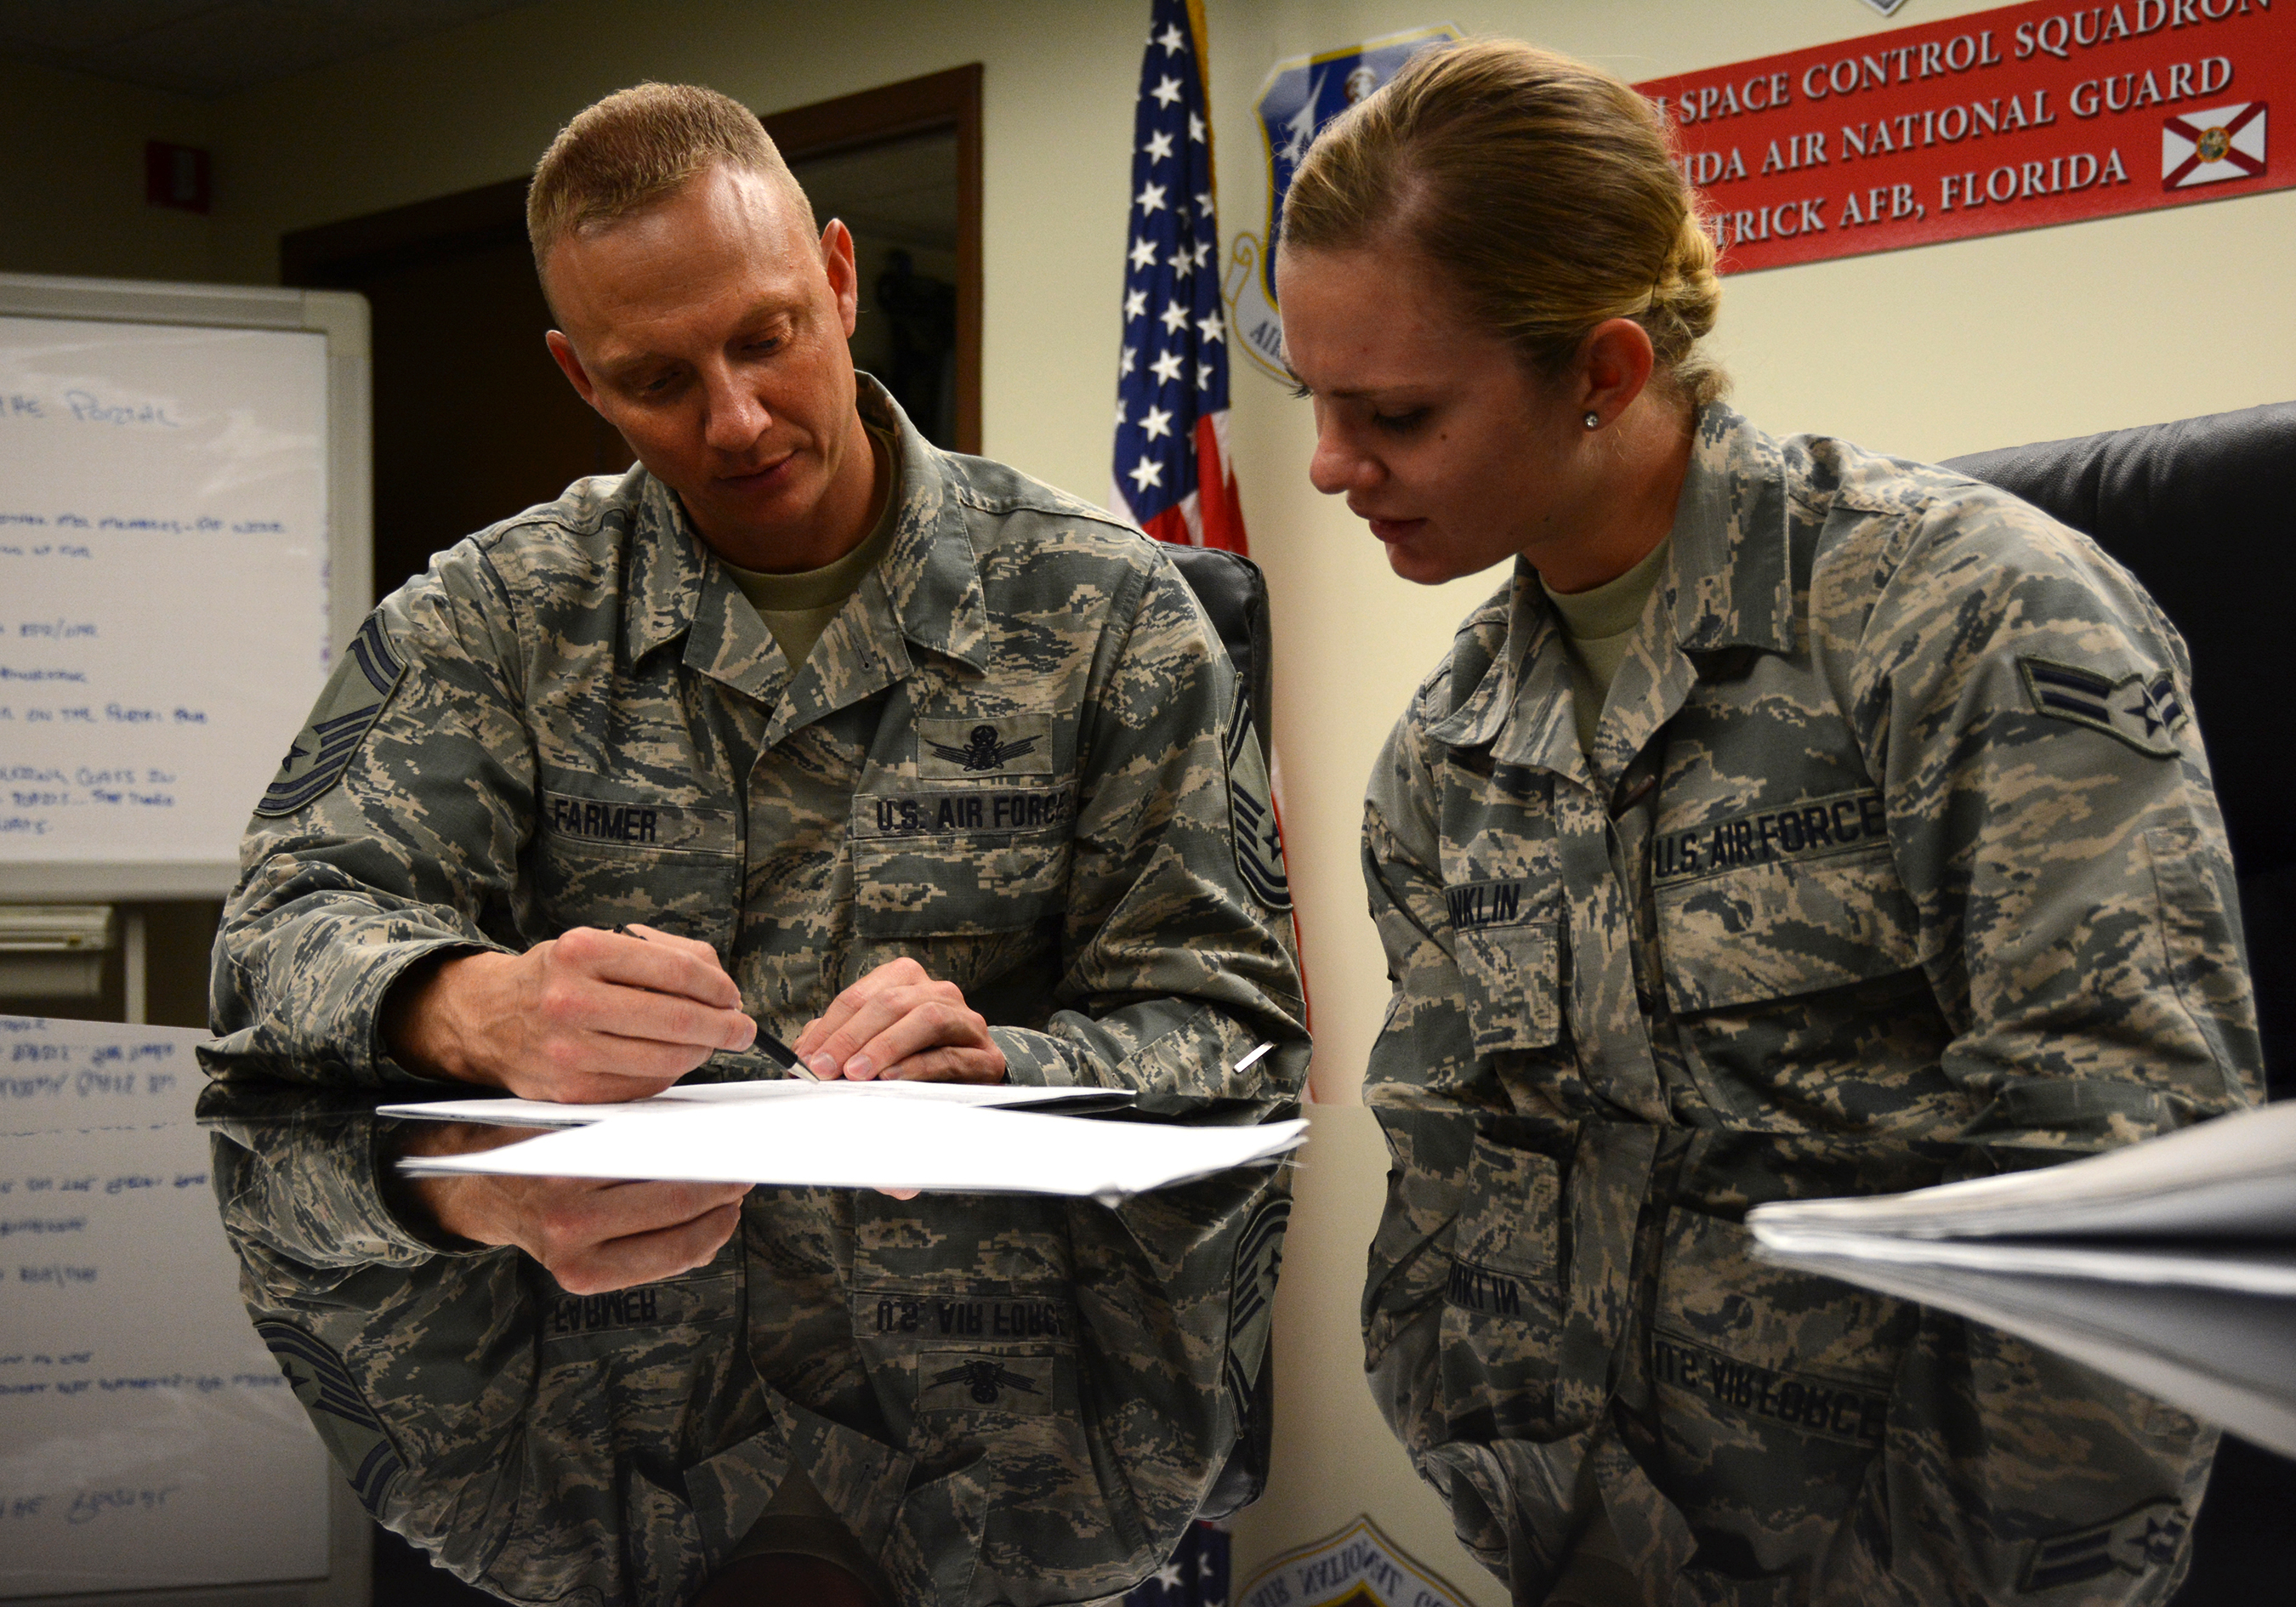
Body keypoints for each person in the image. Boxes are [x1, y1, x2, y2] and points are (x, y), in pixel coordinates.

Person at [202, 81, 1304, 1598]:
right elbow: (273, 938)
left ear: (841, 280)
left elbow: (1244, 1034)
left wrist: (1011, 1067)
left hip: (997, 1310)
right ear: (577, 378)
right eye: (653, 376)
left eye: (767, 336)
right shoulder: (500, 615)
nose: (733, 419)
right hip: (606, 1297)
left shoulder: (1108, 614)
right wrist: (477, 1007)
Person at [1275, 39, 2258, 1607]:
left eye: (1392, 410)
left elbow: (2130, 1157)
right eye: (1309, 393)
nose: (1331, 465)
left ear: (1601, 372)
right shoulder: (1447, 750)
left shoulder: (1968, 617)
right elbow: (1452, 1168)